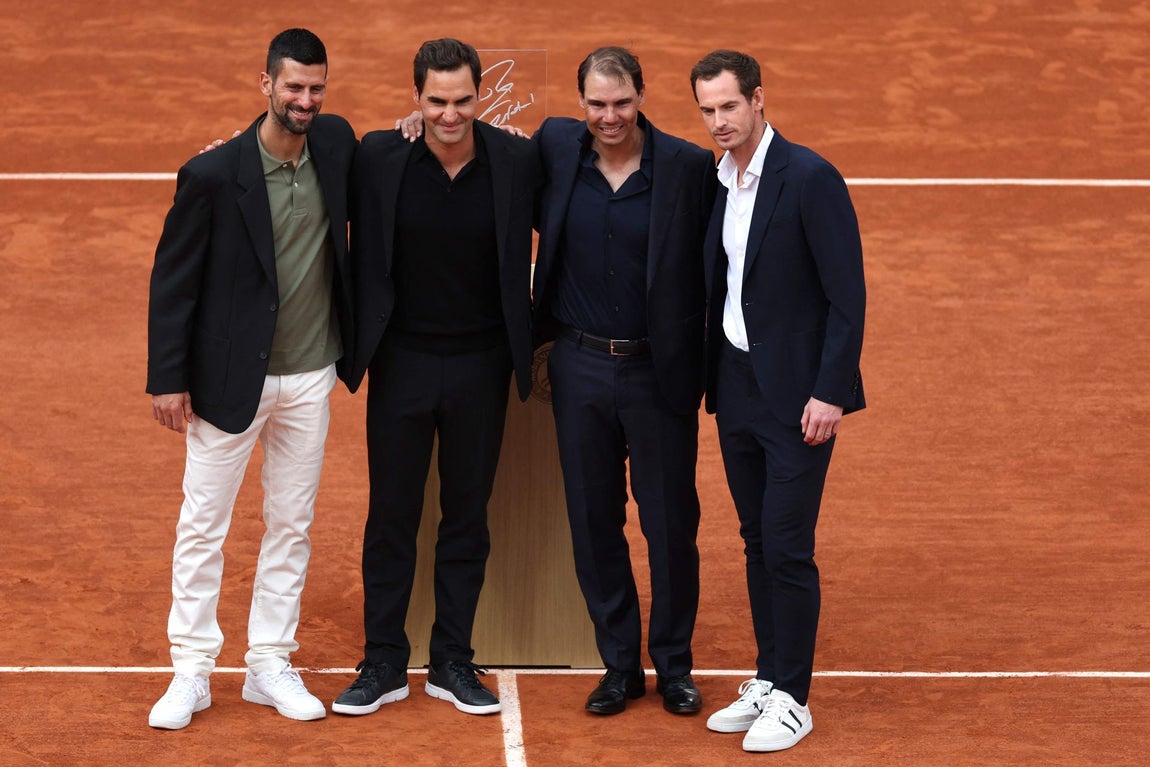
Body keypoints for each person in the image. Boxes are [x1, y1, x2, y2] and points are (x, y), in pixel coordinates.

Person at [146, 28, 356, 729]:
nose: (306, 100)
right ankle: (191, 670)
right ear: (266, 84)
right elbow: (173, 281)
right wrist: (168, 377)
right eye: (293, 86)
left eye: (316, 88)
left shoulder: (336, 144)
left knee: (291, 523)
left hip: (310, 375)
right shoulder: (211, 174)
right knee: (203, 524)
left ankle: (268, 662)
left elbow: (393, 159)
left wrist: (419, 124)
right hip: (228, 379)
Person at [330, 38, 540, 718]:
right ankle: (383, 660)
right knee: (391, 515)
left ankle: (452, 659)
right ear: (415, 98)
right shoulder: (378, 155)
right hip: (402, 364)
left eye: (463, 101)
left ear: (481, 97)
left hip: (482, 365)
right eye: (436, 101)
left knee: (466, 517)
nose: (450, 115)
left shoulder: (516, 158)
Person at [531, 47, 717, 716]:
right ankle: (619, 665)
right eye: (596, 104)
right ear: (580, 102)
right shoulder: (556, 147)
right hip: (578, 367)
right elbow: (478, 145)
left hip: (656, 372)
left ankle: (675, 666)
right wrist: (415, 122)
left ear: (641, 96)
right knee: (593, 521)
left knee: (670, 525)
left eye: (621, 102)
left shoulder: (689, 168)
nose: (609, 117)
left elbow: (722, 257)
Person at [689, 49, 866, 752]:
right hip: (736, 385)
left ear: (759, 98)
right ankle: (768, 677)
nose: (719, 121)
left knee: (788, 546)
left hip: (799, 398)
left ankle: (793, 697)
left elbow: (847, 297)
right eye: (707, 110)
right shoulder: (718, 178)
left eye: (730, 106)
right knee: (756, 538)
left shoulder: (810, 177)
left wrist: (830, 391)